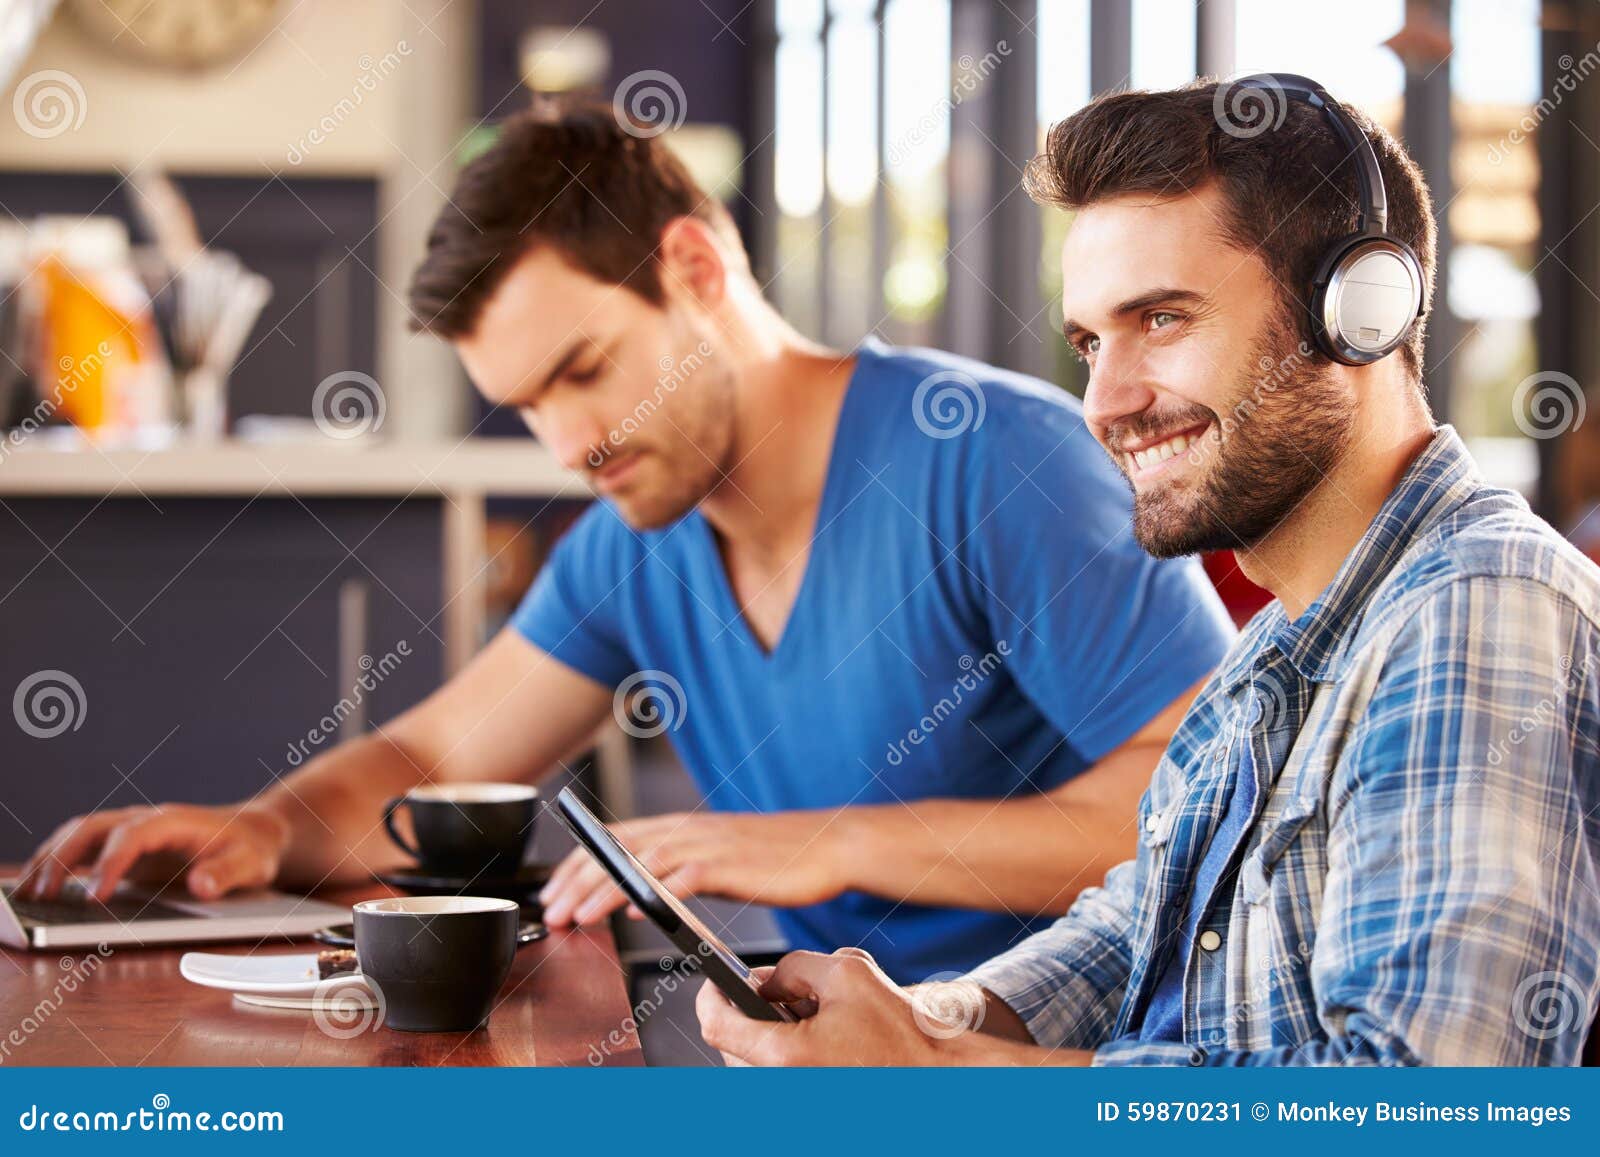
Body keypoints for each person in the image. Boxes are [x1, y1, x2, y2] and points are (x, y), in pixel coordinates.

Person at [17, 103, 1234, 984]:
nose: (570, 443)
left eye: (585, 371)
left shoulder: (992, 458)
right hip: (822, 1049)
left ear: (696, 269)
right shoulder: (634, 537)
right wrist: (266, 828)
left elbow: (1207, 806)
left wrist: (826, 842)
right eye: (528, 403)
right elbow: (435, 752)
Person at [697, 76, 1600, 1063]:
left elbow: (1429, 1109)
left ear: (1359, 312)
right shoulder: (1284, 639)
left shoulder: (1474, 609)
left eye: (1162, 319)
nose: (1104, 401)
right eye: (1090, 341)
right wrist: (926, 1019)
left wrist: (934, 1074)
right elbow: (1143, 925)